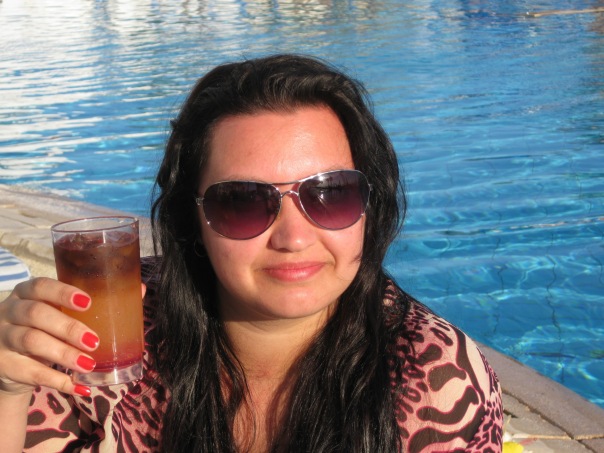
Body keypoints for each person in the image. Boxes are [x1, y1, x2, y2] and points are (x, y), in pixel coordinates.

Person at [0, 54, 503, 452]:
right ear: (192, 220)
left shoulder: (434, 377)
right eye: (241, 202)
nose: (294, 238)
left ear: (369, 205)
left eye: (331, 193)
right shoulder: (113, 336)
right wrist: (7, 391)